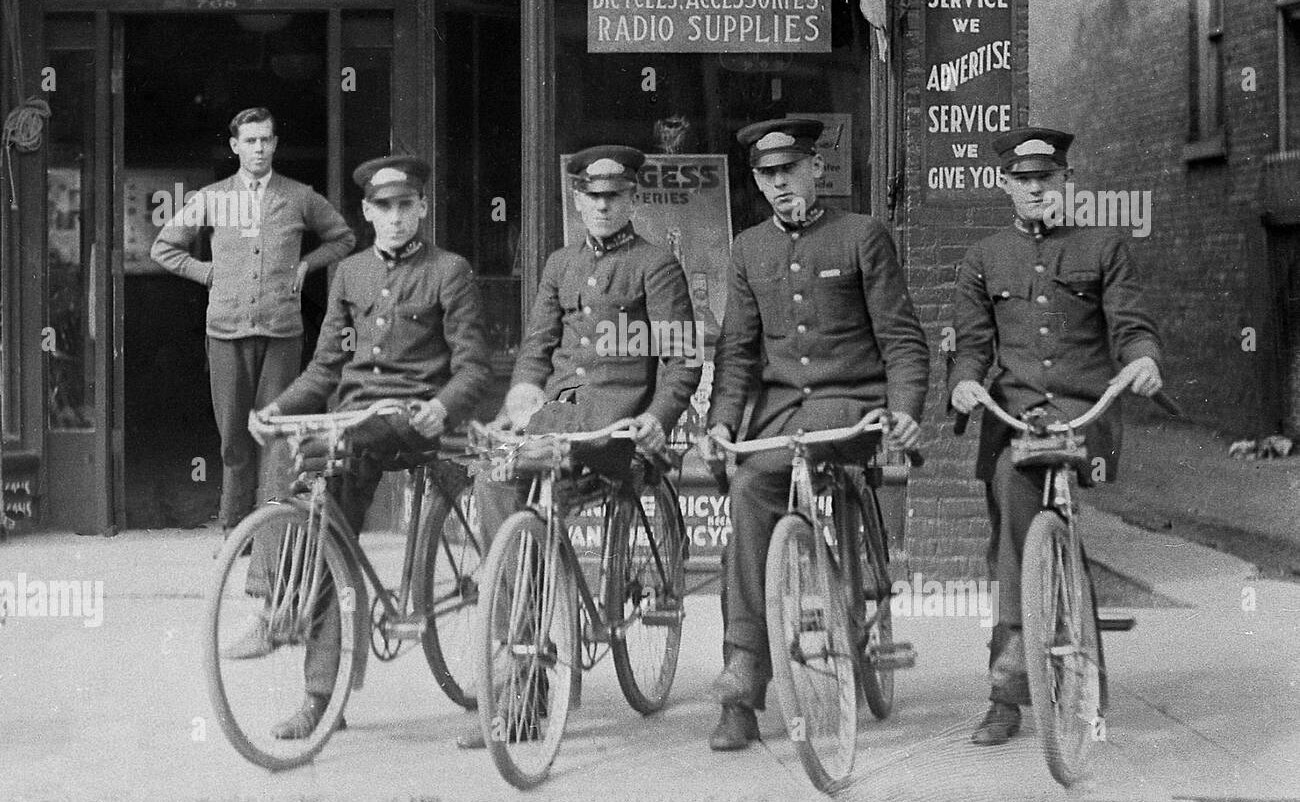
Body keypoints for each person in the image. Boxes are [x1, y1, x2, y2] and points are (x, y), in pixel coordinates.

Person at [225, 154, 490, 741]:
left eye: (405, 206)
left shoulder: (450, 271)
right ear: (366, 213)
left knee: (327, 454)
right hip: (357, 419)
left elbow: (474, 368)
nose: (394, 218)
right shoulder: (349, 274)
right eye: (382, 208)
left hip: (413, 419)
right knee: (307, 488)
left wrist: (442, 407)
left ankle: (286, 623)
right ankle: (319, 689)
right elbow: (325, 370)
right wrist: (280, 408)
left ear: (421, 208)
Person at [458, 144, 702, 748]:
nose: (601, 206)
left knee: (542, 483)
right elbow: (536, 351)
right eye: (591, 197)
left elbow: (680, 360)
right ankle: (524, 660)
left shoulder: (656, 266)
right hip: (555, 417)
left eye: (613, 196)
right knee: (495, 480)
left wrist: (658, 418)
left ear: (631, 199)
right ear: (576, 199)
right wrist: (518, 403)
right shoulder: (560, 264)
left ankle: (524, 681)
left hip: (615, 426)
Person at [700, 119, 930, 751]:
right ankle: (744, 675)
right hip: (779, 418)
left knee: (783, 466)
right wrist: (722, 420)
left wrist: (905, 407)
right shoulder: (748, 249)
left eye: (789, 171)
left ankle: (828, 595)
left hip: (850, 407)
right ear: (756, 182)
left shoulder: (861, 236)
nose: (779, 185)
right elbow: (739, 353)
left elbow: (902, 339)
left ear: (815, 171)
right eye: (766, 176)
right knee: (749, 488)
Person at [948, 127, 1163, 745]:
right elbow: (973, 346)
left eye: (1048, 178)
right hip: (1015, 414)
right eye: (1024, 180)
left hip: (1084, 414)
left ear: (1065, 182)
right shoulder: (983, 258)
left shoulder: (1103, 247)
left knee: (1037, 508)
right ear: (1005, 186)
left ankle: (1029, 656)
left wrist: (1143, 360)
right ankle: (1009, 685)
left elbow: (1130, 325)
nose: (1036, 189)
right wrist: (965, 383)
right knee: (1013, 496)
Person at [151, 107, 355, 534]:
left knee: (275, 436)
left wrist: (307, 264)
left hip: (281, 331)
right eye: (250, 141)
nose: (259, 148)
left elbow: (344, 237)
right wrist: (207, 273)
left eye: (266, 139)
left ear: (275, 144)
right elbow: (164, 248)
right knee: (232, 439)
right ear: (235, 146)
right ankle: (233, 528)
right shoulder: (212, 197)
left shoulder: (300, 196)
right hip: (225, 332)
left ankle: (271, 533)